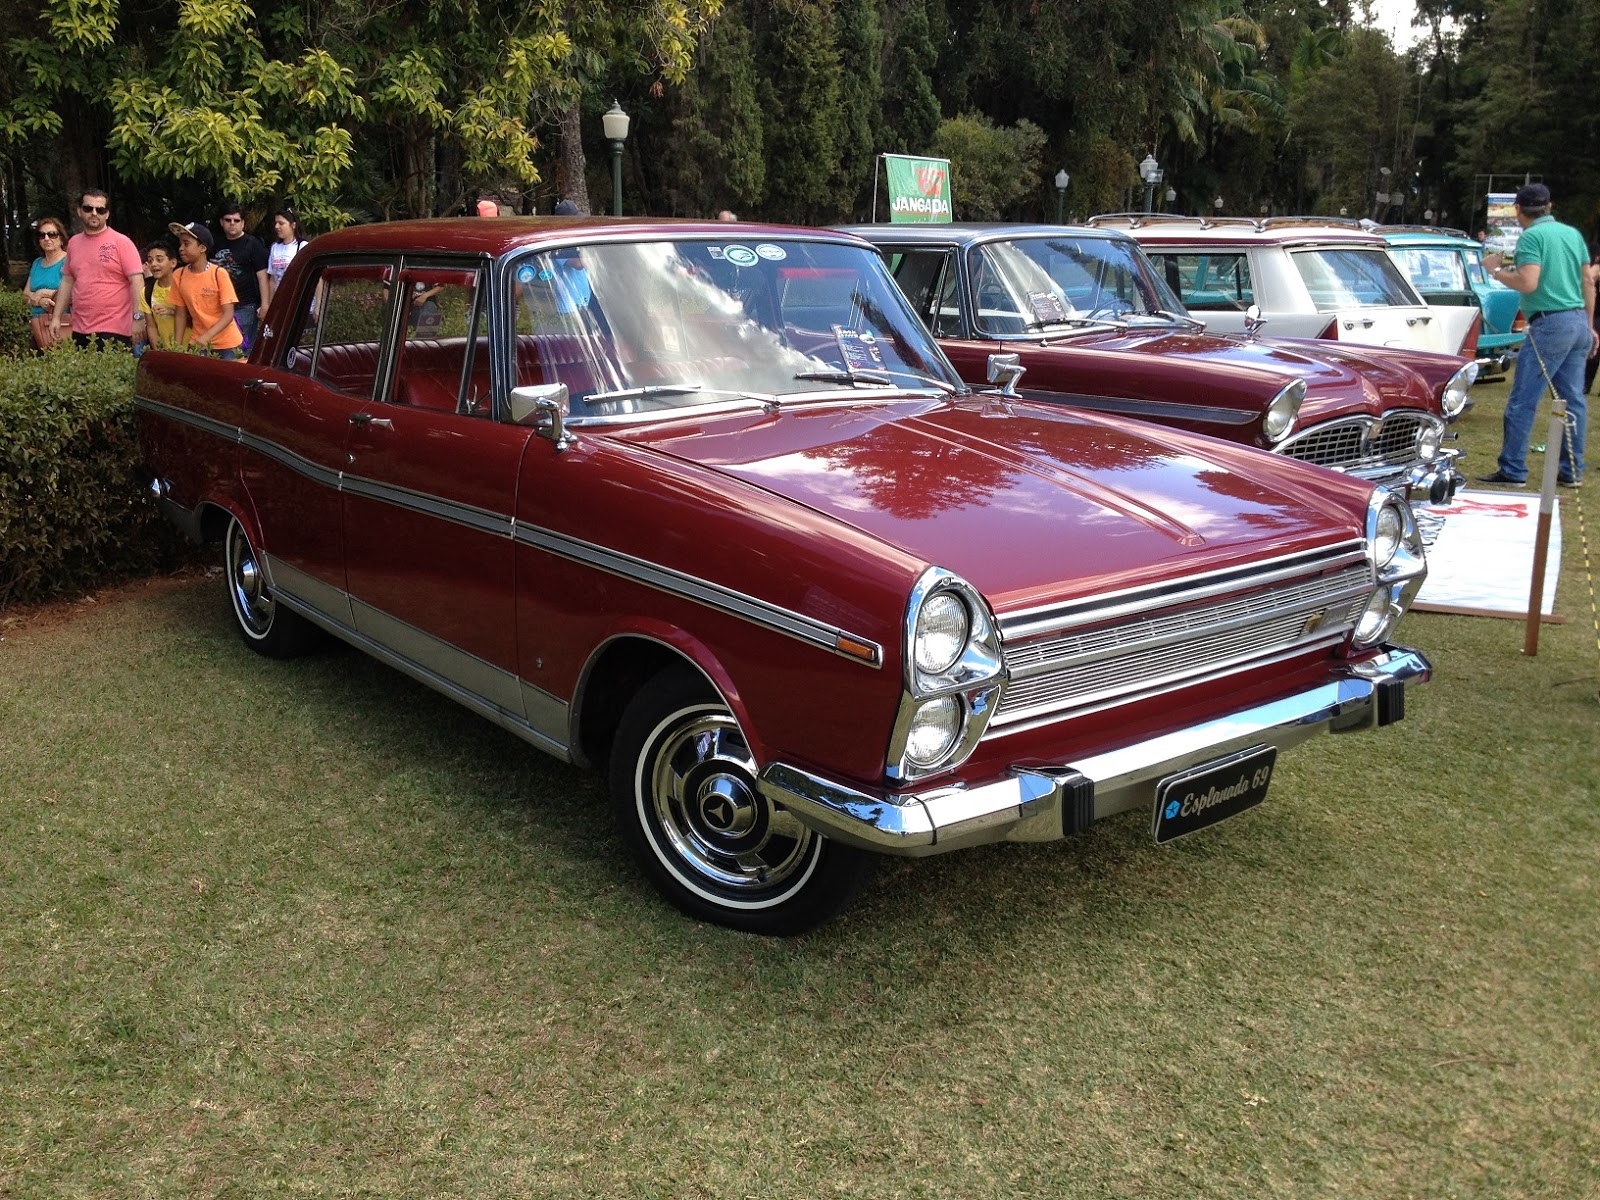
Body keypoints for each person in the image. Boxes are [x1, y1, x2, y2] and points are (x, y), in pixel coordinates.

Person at [1478, 183, 1596, 488]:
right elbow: (1588, 282)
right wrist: (1589, 323)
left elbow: (1529, 282)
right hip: (1577, 321)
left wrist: (1494, 271)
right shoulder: (1572, 235)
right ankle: (1571, 471)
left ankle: (1513, 469)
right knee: (1572, 400)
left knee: (1523, 400)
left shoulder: (1532, 237)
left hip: (1549, 324)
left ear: (1518, 210)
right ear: (1550, 207)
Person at [49, 188, 143, 349]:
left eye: (100, 209)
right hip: (80, 328)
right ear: (79, 211)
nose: (94, 213)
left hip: (115, 329)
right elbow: (67, 281)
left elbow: (137, 281)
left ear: (107, 214)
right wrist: (56, 317)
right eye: (88, 208)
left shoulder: (122, 242)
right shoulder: (73, 243)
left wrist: (138, 318)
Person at [169, 220, 245, 358]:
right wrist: (177, 347)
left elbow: (228, 315)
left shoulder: (218, 274)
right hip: (198, 343)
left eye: (186, 244)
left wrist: (206, 337)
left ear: (202, 248)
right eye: (180, 244)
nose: (181, 248)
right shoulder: (178, 275)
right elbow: (180, 314)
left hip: (227, 344)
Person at [210, 202, 269, 350]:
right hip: (219, 306)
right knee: (222, 349)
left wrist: (265, 304)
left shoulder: (252, 244)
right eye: (228, 220)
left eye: (236, 220)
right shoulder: (215, 244)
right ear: (221, 222)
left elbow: (262, 276)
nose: (232, 224)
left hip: (245, 305)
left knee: (242, 349)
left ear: (243, 223)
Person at [23, 216, 69, 351]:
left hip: (62, 324)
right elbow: (26, 294)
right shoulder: (37, 263)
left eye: (52, 234)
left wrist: (43, 294)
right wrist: (39, 300)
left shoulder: (68, 261)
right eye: (42, 235)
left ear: (61, 238)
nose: (47, 238)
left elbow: (74, 292)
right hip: (36, 325)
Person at [137, 239, 182, 352]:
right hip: (166, 353)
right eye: (150, 260)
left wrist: (172, 311)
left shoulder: (184, 286)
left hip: (192, 350)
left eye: (159, 259)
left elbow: (196, 316)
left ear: (173, 263)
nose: (154, 264)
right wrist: (159, 352)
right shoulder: (147, 292)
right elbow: (151, 326)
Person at [260, 208, 306, 321]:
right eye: (276, 223)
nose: (277, 227)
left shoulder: (302, 246)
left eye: (281, 223)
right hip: (280, 303)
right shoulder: (275, 247)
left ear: (293, 225)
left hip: (298, 303)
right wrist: (270, 305)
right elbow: (272, 278)